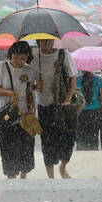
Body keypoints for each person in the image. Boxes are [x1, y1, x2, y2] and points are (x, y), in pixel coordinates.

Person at [0, 40, 36, 179]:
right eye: (16, 57)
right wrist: (10, 94)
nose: (19, 61)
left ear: (27, 57)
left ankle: (23, 177)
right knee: (8, 149)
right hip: (6, 116)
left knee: (25, 148)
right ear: (10, 55)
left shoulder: (29, 70)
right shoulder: (1, 67)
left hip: (24, 116)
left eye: (23, 58)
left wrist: (32, 108)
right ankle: (11, 178)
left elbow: (28, 92)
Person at [30, 36, 77, 178]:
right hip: (44, 106)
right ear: (38, 42)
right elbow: (27, 82)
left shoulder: (63, 55)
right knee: (47, 142)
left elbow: (72, 77)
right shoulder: (33, 59)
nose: (47, 43)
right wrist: (34, 86)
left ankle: (63, 167)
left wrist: (68, 99)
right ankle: (50, 176)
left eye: (49, 40)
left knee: (68, 139)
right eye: (43, 40)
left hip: (63, 105)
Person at [75, 69, 102, 151]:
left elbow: (74, 96)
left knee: (81, 136)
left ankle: (81, 155)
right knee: (93, 136)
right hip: (95, 112)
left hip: (81, 112)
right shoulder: (99, 80)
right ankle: (93, 156)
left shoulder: (76, 80)